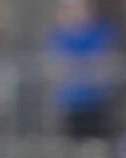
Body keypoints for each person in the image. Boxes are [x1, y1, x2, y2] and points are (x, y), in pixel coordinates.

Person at [46, 0, 119, 140]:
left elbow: (105, 64)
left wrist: (78, 68)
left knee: (97, 142)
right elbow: (55, 67)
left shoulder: (101, 31)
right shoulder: (60, 34)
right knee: (72, 143)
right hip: (70, 102)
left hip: (97, 100)